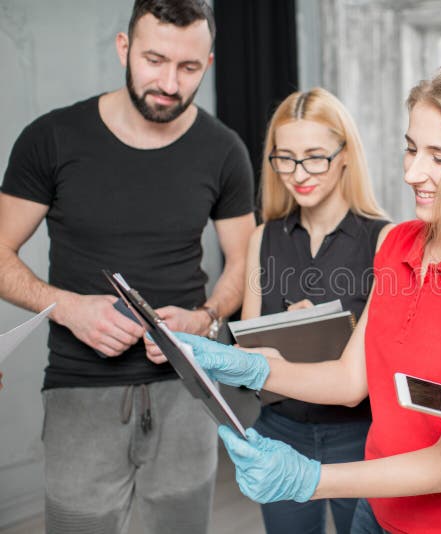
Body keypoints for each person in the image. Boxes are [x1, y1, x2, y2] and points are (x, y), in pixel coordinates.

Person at [178, 63, 441, 533]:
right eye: (412, 149)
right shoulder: (400, 246)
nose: (413, 171)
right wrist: (255, 367)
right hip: (375, 513)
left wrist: (310, 479)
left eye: (439, 156)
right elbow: (350, 380)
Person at [0, 1, 254, 532]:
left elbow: (243, 263)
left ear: (206, 64)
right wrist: (67, 308)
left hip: (188, 388)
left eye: (187, 68)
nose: (168, 82)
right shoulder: (52, 138)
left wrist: (205, 319)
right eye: (154, 60)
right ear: (124, 48)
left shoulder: (224, 150)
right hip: (78, 390)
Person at [245, 88, 391, 533]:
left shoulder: (384, 241)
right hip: (279, 430)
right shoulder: (263, 238)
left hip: (358, 434)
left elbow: (382, 361)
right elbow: (247, 359)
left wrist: (311, 338)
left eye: (314, 157)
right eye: (284, 158)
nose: (298, 173)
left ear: (345, 154)